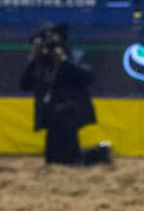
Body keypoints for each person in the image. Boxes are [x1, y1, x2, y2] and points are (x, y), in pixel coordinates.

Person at [20, 24, 111, 167]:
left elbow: (87, 77)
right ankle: (100, 152)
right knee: (52, 159)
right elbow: (24, 85)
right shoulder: (40, 63)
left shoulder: (69, 57)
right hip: (52, 115)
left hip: (69, 112)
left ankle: (100, 153)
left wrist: (63, 60)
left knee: (71, 159)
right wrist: (34, 58)